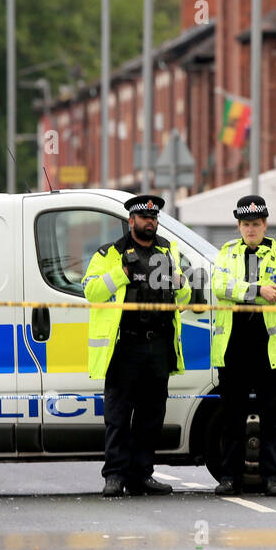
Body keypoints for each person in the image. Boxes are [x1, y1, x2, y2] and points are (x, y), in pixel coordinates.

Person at [82, 194, 191, 498]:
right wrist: (121, 275)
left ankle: (141, 475)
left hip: (158, 345)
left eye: (154, 218)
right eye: (144, 218)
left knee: (151, 416)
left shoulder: (168, 253)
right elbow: (91, 291)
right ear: (131, 221)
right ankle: (114, 476)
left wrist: (180, 283)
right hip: (124, 346)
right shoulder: (110, 253)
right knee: (118, 416)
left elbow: (182, 301)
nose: (150, 223)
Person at [210, 195, 276, 496]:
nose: (251, 229)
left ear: (265, 224)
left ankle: (273, 478)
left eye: (256, 224)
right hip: (234, 345)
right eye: (246, 224)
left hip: (267, 344)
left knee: (273, 415)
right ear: (238, 226)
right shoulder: (226, 252)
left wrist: (239, 291)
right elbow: (219, 287)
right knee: (232, 415)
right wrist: (257, 289)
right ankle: (229, 478)